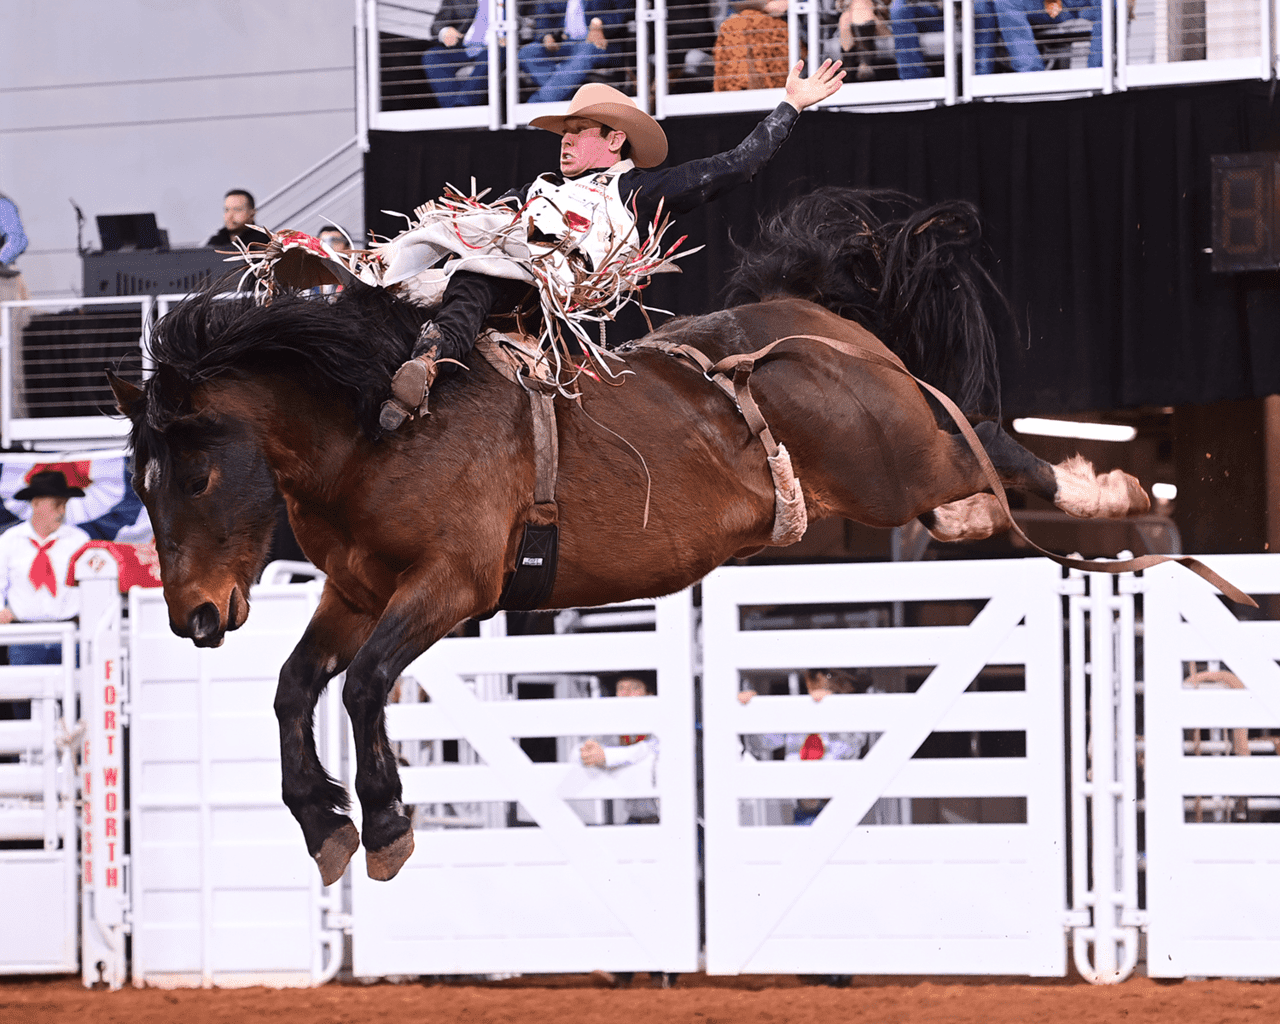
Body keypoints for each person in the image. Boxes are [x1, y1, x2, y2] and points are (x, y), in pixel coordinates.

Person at [379, 61, 845, 430]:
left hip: (550, 286)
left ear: (615, 140)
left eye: (579, 130)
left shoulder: (636, 190)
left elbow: (735, 166)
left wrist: (791, 106)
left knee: (479, 273)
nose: (565, 140)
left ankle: (432, 359)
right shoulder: (534, 190)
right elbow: (478, 226)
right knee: (406, 279)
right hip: (490, 268)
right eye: (565, 131)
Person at [739, 667, 870, 988]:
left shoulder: (851, 717)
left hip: (834, 811)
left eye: (826, 681)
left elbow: (851, 746)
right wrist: (752, 710)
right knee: (806, 887)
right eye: (815, 680)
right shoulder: (796, 717)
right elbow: (763, 743)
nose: (817, 688)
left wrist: (830, 712)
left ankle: (836, 963)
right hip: (804, 811)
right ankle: (815, 957)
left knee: (832, 888)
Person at [579, 674, 677, 989]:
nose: (627, 694)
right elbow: (583, 751)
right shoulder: (612, 730)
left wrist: (605, 756)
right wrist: (595, 752)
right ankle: (627, 967)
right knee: (630, 892)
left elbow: (646, 751)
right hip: (635, 821)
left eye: (635, 688)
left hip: (667, 824)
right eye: (621, 688)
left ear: (649, 694)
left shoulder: (663, 726)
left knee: (663, 893)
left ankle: (665, 967)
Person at [0, 471, 91, 666]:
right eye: (56, 505)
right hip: (24, 636)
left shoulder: (79, 541)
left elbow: (89, 586)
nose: (61, 512)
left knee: (75, 692)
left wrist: (89, 612)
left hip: (69, 633)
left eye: (64, 505)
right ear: (36, 503)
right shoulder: (9, 541)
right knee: (23, 691)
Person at [518, 0, 629, 104]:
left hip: (597, 43)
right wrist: (546, 36)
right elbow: (541, 16)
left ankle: (537, 104)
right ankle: (565, 98)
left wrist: (601, 23)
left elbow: (626, 9)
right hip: (563, 44)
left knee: (587, 51)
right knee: (528, 52)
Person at [420, 0, 504, 108]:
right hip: (464, 48)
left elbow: (529, 23)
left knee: (492, 53)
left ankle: (463, 106)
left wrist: (513, 37)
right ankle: (453, 110)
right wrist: (445, 32)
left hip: (497, 49)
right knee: (432, 57)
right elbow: (437, 26)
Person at [888, 0, 999, 78]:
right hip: (933, 13)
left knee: (981, 5)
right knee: (899, 8)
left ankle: (981, 75)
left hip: (964, 11)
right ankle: (913, 78)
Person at [994, 0, 1101, 72]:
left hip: (1087, 5)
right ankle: (1031, 72)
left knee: (1109, 5)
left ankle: (1098, 69)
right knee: (1005, 1)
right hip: (1048, 5)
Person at [206, 189, 271, 248]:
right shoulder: (215, 242)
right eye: (226, 210)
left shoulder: (266, 242)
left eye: (237, 210)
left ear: (252, 214)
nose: (229, 216)